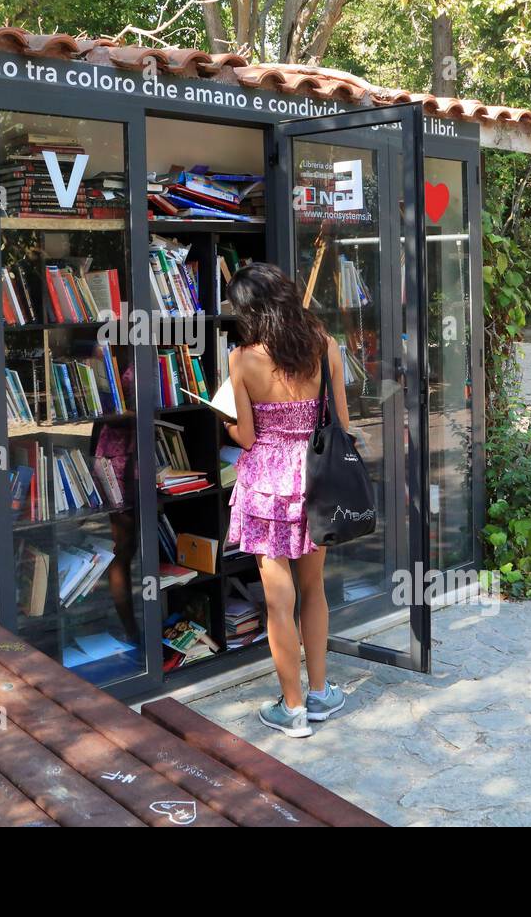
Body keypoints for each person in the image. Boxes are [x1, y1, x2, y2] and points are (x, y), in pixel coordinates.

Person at [224, 262, 349, 737]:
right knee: (313, 588)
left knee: (279, 602)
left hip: (266, 488)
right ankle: (319, 694)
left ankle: (292, 709)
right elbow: (342, 421)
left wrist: (226, 425)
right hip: (316, 479)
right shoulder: (325, 346)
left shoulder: (242, 360)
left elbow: (248, 436)